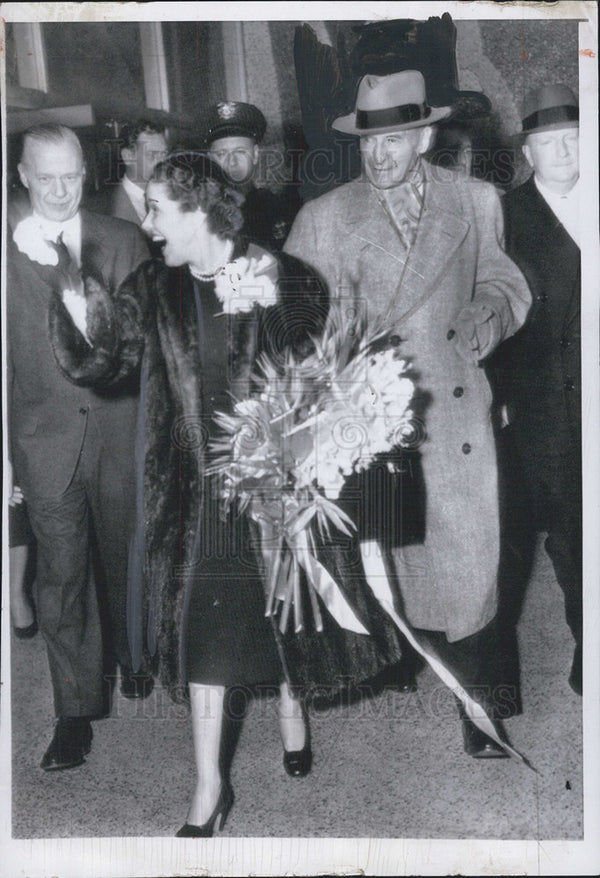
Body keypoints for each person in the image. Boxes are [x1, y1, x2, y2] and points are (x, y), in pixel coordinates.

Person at [50, 153, 406, 835]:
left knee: (282, 620)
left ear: (200, 210)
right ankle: (210, 788)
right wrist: (73, 294)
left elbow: (324, 388)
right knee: (204, 636)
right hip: (193, 493)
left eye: (158, 209)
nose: (147, 223)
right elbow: (103, 360)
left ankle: (290, 704)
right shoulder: (152, 287)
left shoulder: (286, 279)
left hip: (273, 492)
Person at [284, 70, 532, 757]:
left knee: (472, 562)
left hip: (452, 409)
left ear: (424, 135)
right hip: (371, 422)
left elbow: (502, 279)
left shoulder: (478, 201)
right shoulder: (323, 218)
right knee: (394, 561)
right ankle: (402, 662)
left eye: (394, 138)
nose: (380, 155)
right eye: (369, 141)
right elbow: (295, 329)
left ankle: (481, 706)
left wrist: (489, 314)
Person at [7, 124, 151, 772]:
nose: (61, 190)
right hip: (44, 440)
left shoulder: (123, 241)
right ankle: (74, 712)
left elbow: (151, 350)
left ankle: (134, 657)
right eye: (47, 177)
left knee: (128, 559)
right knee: (62, 576)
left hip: (120, 432)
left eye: (71, 175)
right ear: (23, 178)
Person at [488, 85, 582, 695]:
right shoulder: (508, 218)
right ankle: (587, 638)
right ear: (528, 151)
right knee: (569, 528)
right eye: (550, 144)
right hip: (545, 399)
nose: (566, 154)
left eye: (575, 140)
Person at [202, 101, 296, 251]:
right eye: (221, 154)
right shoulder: (198, 211)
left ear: (256, 154)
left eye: (240, 152)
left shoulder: (276, 208)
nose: (232, 162)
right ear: (209, 159)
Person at [88, 118, 168, 225]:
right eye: (152, 155)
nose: (162, 162)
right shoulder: (99, 209)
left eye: (164, 154)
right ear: (128, 156)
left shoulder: (174, 198)